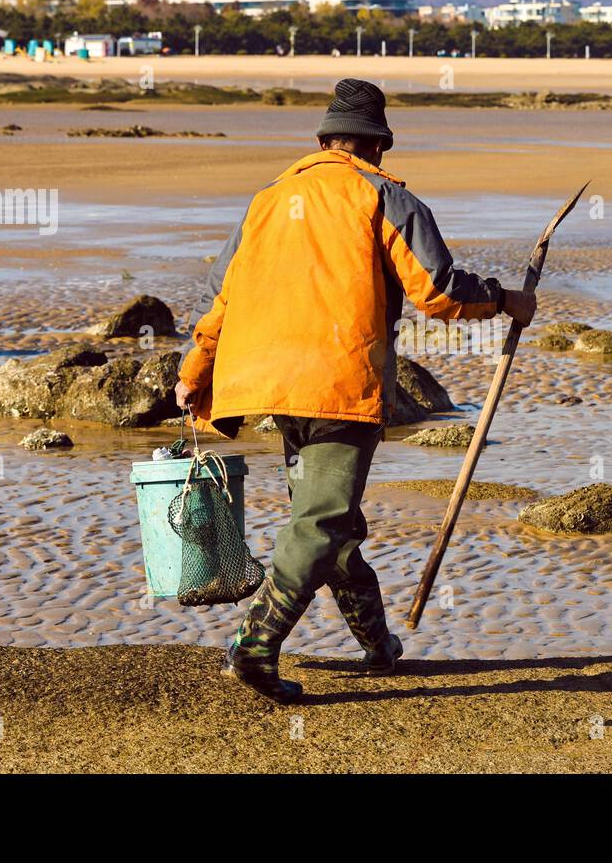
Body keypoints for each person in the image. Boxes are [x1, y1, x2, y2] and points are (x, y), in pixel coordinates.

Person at [175, 78, 537, 703]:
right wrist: (507, 300)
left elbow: (224, 297)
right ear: (377, 147)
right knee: (321, 520)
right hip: (337, 382)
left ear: (323, 140)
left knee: (332, 520)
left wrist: (194, 370)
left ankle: (378, 644)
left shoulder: (267, 200)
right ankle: (255, 644)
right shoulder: (385, 196)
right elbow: (440, 291)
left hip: (265, 379)